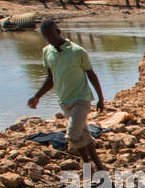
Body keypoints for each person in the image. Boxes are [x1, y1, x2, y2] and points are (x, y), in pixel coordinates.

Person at [27, 19, 107, 174]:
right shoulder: (47, 52)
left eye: (51, 34)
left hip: (81, 99)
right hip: (64, 100)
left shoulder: (77, 51)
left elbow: (91, 75)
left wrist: (100, 98)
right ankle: (95, 167)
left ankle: (91, 166)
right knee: (84, 136)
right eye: (45, 36)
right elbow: (51, 78)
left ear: (59, 32)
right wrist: (37, 96)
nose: (49, 38)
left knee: (72, 134)